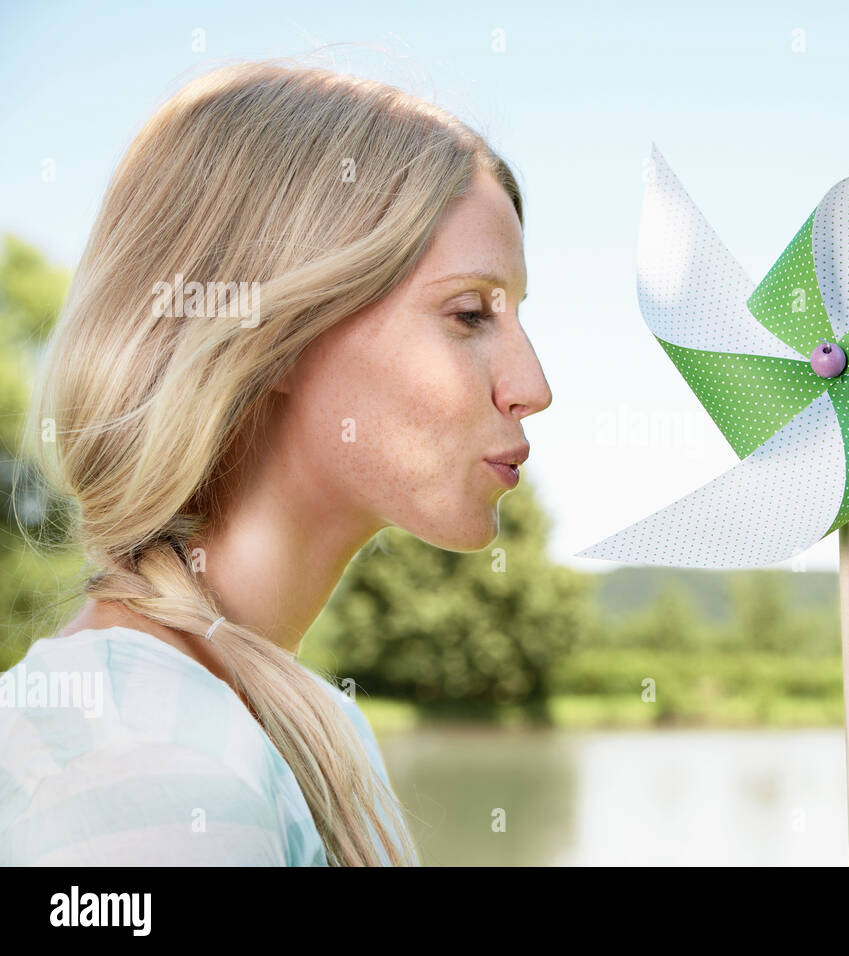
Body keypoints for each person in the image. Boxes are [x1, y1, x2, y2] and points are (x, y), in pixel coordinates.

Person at [0, 59, 552, 866]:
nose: (531, 386)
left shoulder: (310, 729)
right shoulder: (146, 771)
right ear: (279, 328)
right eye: (469, 314)